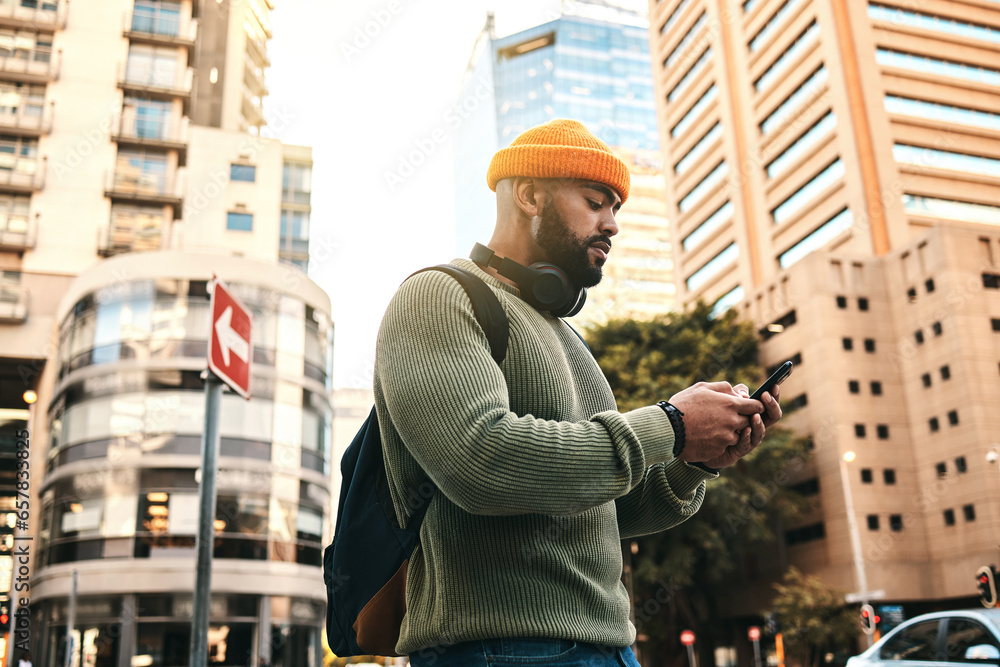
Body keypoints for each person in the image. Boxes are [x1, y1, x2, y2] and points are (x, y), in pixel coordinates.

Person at [373, 119, 782, 666]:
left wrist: (695, 460)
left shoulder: (569, 340)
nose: (611, 224)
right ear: (528, 195)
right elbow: (482, 465)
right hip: (500, 653)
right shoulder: (437, 297)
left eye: (616, 208)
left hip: (611, 649)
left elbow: (611, 507)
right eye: (595, 202)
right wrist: (672, 424)